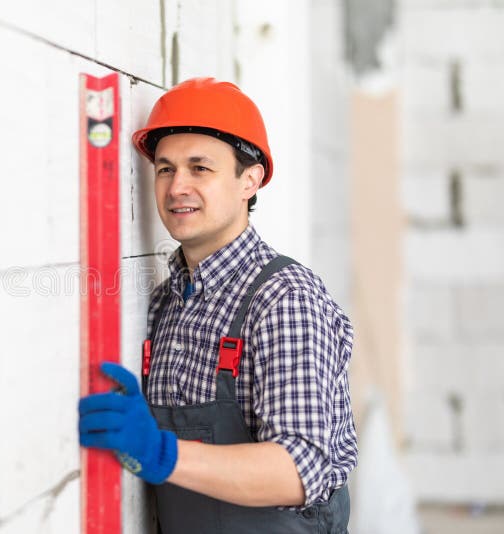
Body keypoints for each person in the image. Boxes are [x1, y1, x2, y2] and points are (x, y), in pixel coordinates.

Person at [78, 77, 357, 533]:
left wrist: (160, 452)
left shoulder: (284, 298)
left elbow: (298, 469)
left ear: (250, 180)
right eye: (165, 169)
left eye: (199, 168)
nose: (176, 187)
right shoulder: (165, 304)